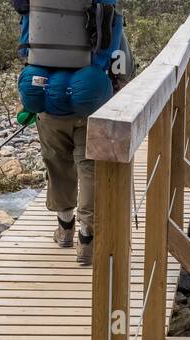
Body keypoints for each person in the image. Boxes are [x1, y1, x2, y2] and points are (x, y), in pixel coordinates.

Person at [40, 29, 134, 266]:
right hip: (93, 105)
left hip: (51, 106)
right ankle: (86, 239)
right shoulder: (108, 15)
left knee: (57, 163)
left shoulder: (43, 11)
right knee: (90, 168)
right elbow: (122, 67)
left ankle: (64, 228)